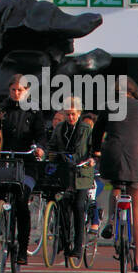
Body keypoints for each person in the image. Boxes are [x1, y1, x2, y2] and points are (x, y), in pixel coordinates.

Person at [92, 76, 138, 270]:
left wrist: (95, 150)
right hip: (136, 158)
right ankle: (136, 262)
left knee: (116, 185)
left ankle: (112, 220)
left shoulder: (109, 105)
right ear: (133, 92)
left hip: (112, 155)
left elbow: (97, 131)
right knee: (134, 209)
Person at [0, 74, 45, 264]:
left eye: (20, 90)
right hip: (6, 161)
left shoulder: (34, 110)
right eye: (13, 90)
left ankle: (22, 249)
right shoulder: (1, 108)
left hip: (27, 163)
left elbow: (41, 133)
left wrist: (40, 148)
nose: (16, 93)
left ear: (27, 91)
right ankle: (1, 221)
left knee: (21, 199)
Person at [48, 97, 95, 260]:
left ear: (79, 114)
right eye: (68, 114)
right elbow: (52, 147)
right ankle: (65, 241)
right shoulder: (60, 128)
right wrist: (51, 158)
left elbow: (91, 149)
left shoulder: (85, 129)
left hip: (82, 174)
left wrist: (91, 159)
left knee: (78, 207)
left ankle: (78, 246)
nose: (71, 118)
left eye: (73, 114)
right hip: (64, 173)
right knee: (63, 207)